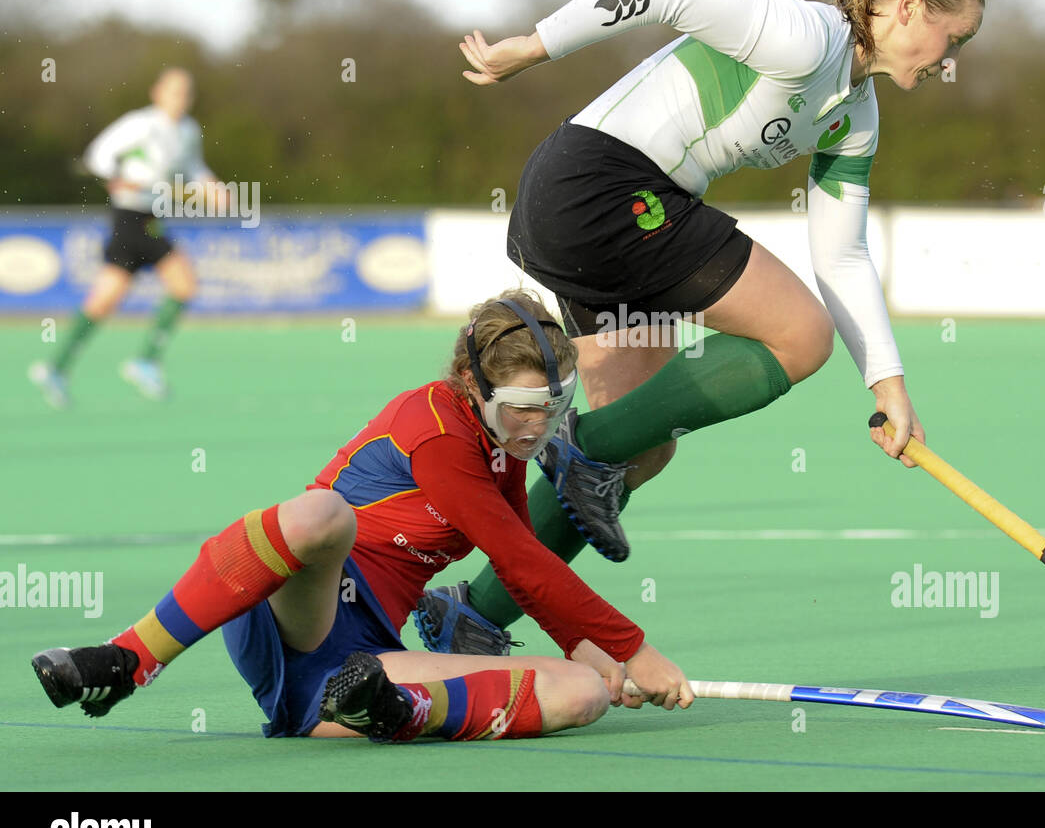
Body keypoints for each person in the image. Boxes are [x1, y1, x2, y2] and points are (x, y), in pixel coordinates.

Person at [437, 0, 985, 643]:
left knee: (643, 449)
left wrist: (889, 385)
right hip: (602, 186)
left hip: (606, 209)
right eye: (954, 38)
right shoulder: (803, 36)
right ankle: (584, 445)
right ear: (909, 7)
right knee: (799, 335)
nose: (949, 62)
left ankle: (473, 616)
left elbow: (841, 252)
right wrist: (535, 47)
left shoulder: (856, 118)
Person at [32, 291, 693, 742]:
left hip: (360, 660)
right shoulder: (436, 427)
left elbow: (521, 564)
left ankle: (391, 713)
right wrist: (636, 648)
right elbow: (522, 560)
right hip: (296, 608)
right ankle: (126, 661)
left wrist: (597, 656)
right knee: (325, 516)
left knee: (583, 695)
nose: (538, 423)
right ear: (473, 380)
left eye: (553, 404)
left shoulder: (505, 446)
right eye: (522, 405)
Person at [28, 67, 227, 407]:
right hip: (130, 218)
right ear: (157, 92)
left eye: (186, 92)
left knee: (104, 301)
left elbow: (192, 169)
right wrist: (118, 176)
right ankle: (145, 362)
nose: (181, 99)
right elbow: (99, 155)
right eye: (174, 91)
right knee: (183, 285)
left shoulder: (189, 131)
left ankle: (56, 368)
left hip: (151, 216)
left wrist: (213, 187)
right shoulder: (140, 124)